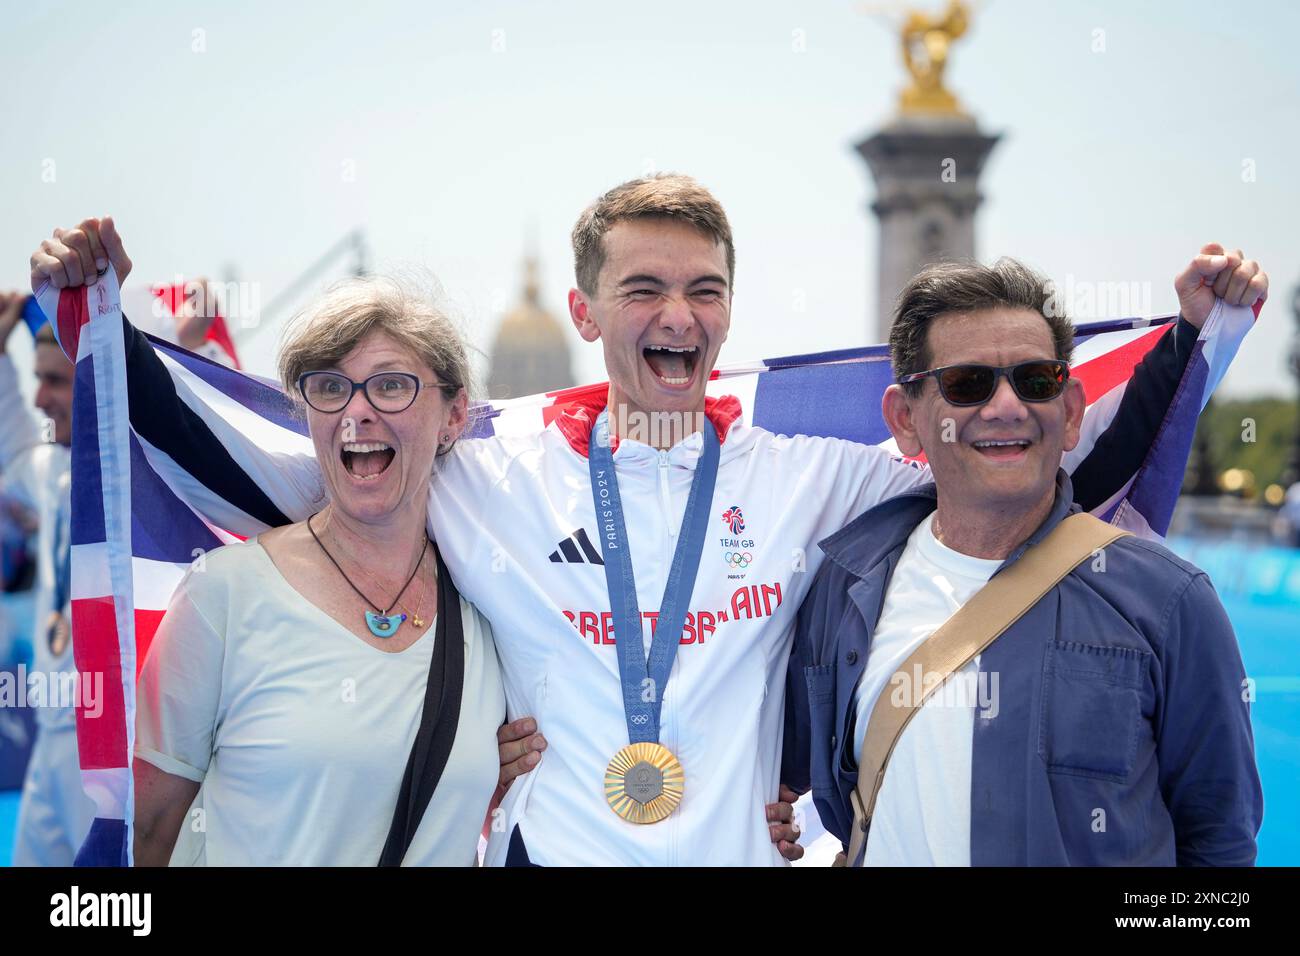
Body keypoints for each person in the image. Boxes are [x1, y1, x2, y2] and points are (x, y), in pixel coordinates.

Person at [33, 179, 1226, 865]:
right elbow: (278, 458)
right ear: (584, 309)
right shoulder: (480, 468)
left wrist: (1183, 349)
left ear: (725, 314)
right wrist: (104, 327)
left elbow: (1009, 454)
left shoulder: (814, 475)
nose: (677, 312)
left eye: (703, 290)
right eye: (643, 287)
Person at [785, 257, 1266, 866]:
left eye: (1035, 380)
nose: (1007, 406)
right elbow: (785, 771)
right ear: (906, 420)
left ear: (1069, 414)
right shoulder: (845, 585)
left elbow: (1219, 846)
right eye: (967, 383)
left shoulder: (1170, 602)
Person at [130, 275, 536, 865]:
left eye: (391, 386)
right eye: (330, 387)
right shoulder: (224, 594)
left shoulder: (495, 607)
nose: (358, 411)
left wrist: (497, 781)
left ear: (454, 416)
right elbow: (145, 833)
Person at [0, 291, 97, 865]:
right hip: (50, 737)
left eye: (56, 382)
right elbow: (12, 451)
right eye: (37, 380)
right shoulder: (48, 467)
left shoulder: (135, 471)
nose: (41, 399)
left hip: (111, 746)